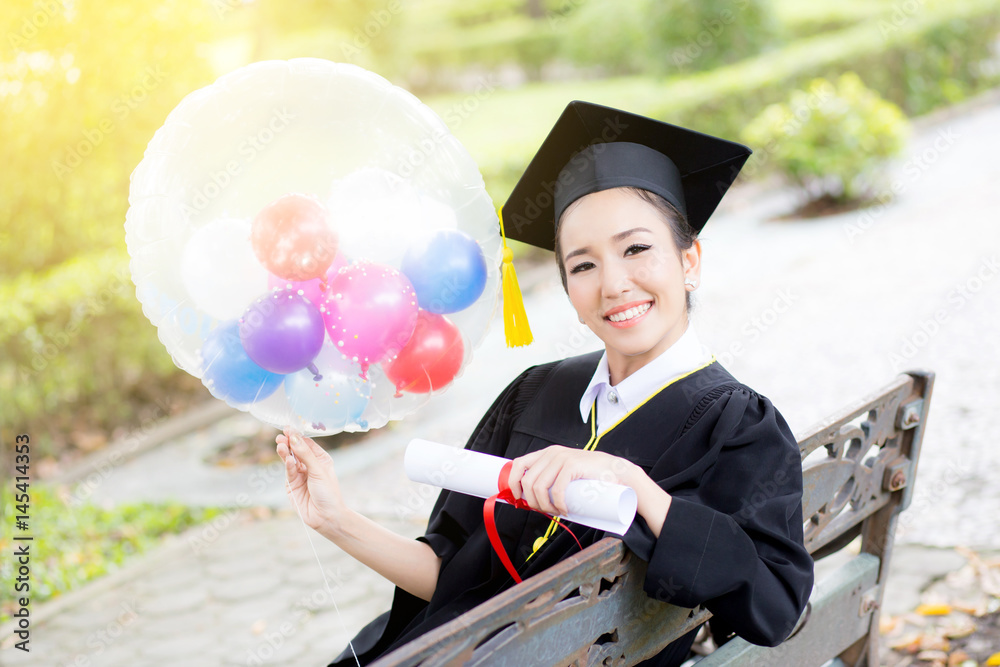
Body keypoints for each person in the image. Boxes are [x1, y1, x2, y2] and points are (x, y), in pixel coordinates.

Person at [276, 101, 815, 667]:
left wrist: (633, 484)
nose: (613, 284)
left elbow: (775, 606)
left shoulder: (736, 427)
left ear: (689, 261)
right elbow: (449, 579)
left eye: (636, 249)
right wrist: (336, 519)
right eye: (582, 265)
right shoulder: (534, 394)